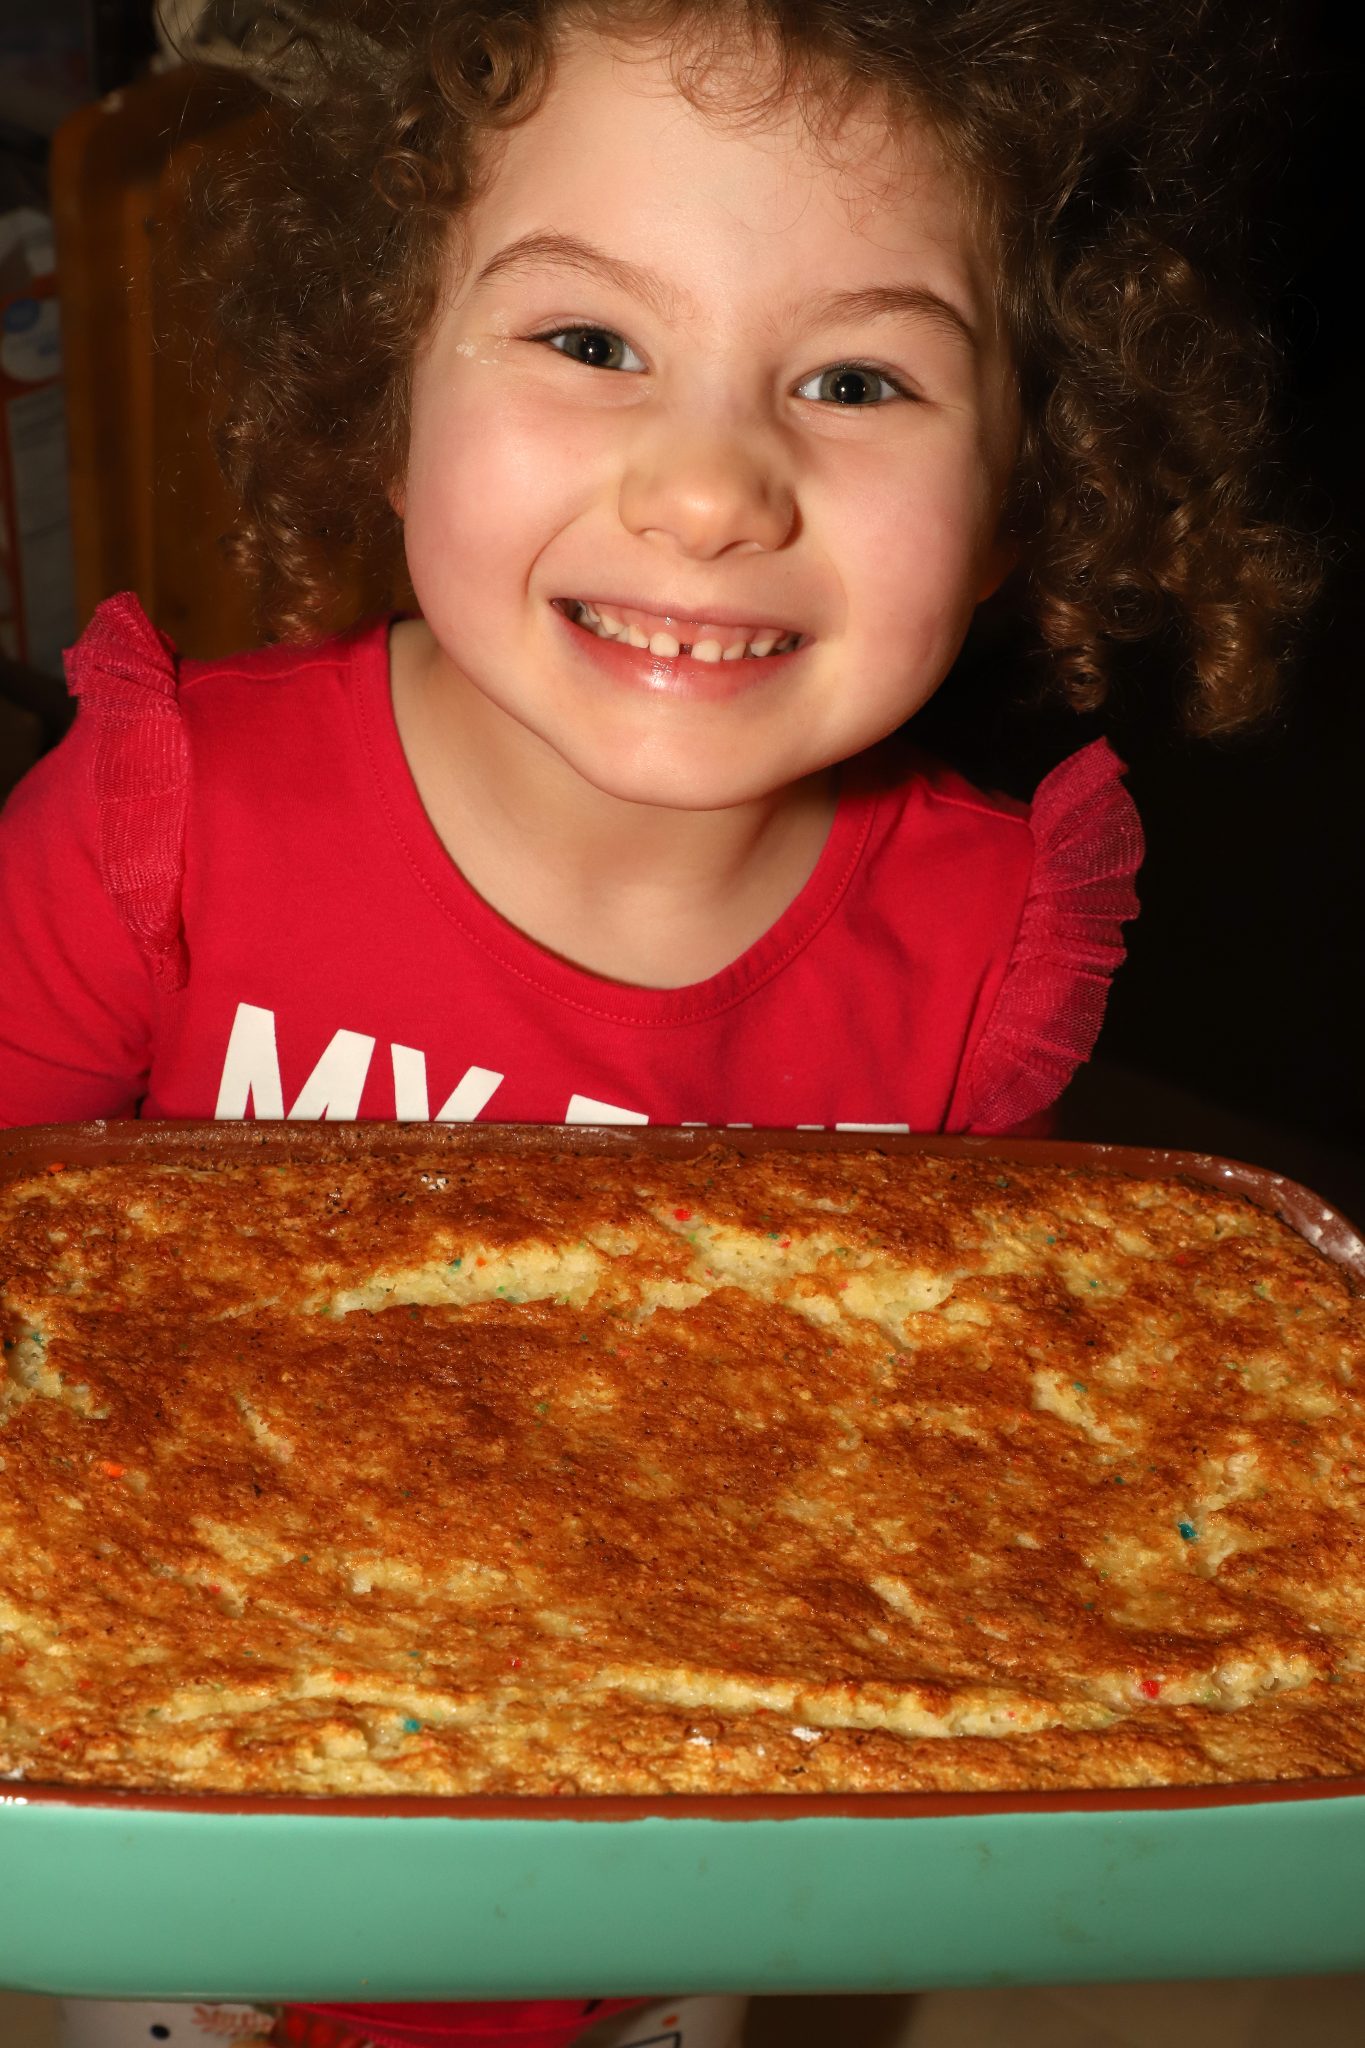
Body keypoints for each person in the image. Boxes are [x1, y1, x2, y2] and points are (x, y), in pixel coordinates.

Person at [0, 0, 1318, 2043]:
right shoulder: (155, 833)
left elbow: (938, 1461)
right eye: (590, 341)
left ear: (1021, 482)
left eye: (854, 376)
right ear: (388, 368)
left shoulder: (982, 953)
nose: (709, 487)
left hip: (678, 1868)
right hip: (185, 1838)